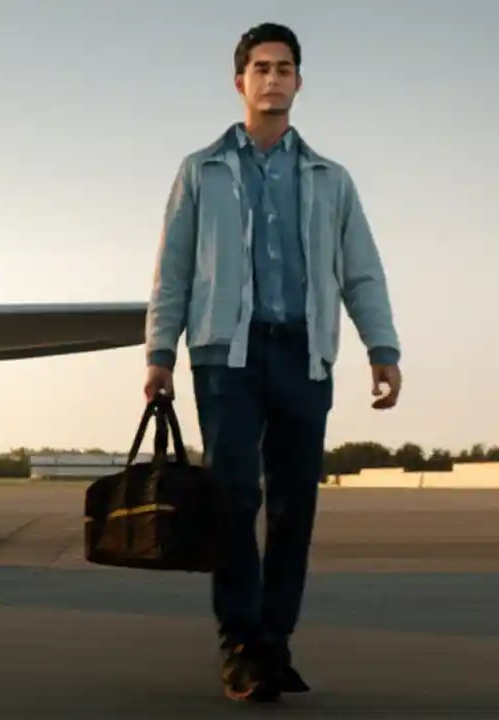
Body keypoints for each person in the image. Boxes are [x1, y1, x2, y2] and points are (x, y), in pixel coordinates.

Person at [142, 22, 402, 702]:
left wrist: (383, 349)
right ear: (240, 83)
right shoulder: (202, 170)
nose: (274, 78)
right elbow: (171, 270)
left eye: (285, 67)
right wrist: (159, 352)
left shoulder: (329, 179)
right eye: (261, 67)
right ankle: (239, 644)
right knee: (233, 496)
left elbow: (362, 274)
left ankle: (274, 644)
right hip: (225, 354)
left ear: (298, 82)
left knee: (294, 506)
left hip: (303, 354)